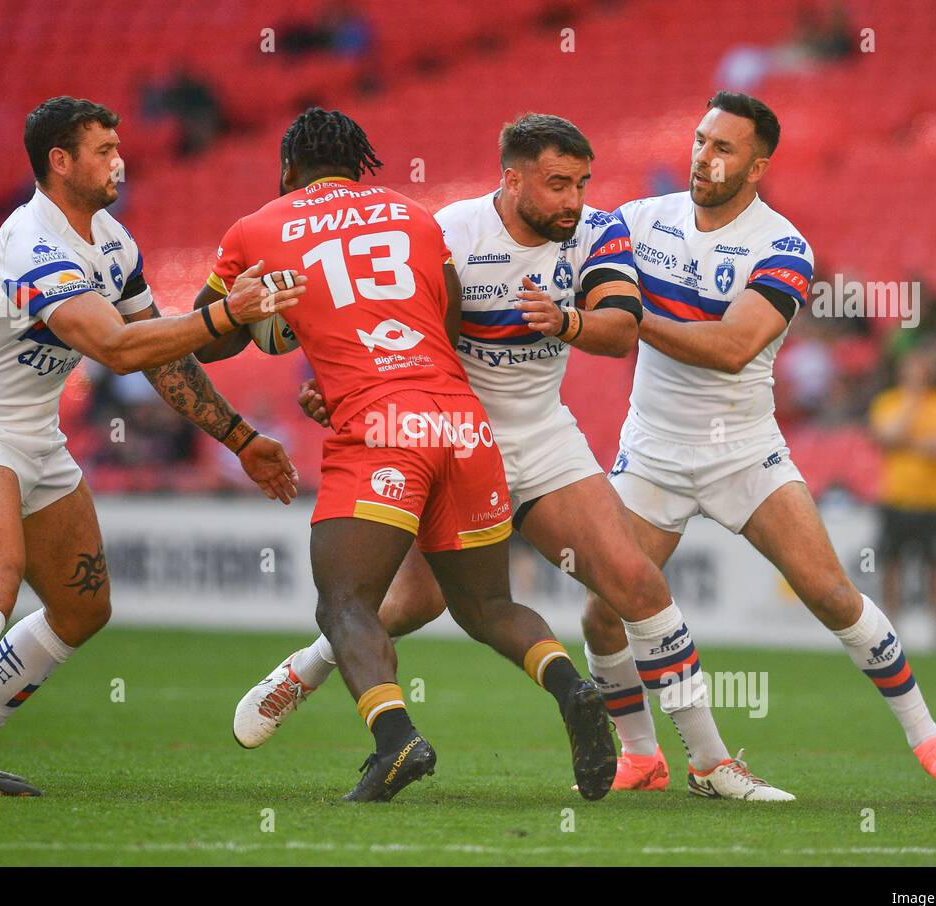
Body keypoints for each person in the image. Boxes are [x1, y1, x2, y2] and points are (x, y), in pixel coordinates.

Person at [228, 113, 791, 800]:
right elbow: (390, 328)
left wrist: (569, 321)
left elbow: (620, 333)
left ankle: (710, 762)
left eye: (581, 183)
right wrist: (341, 390)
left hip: (541, 439)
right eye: (558, 184)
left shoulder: (598, 231)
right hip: (449, 434)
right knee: (404, 605)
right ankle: (301, 674)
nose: (573, 200)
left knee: (636, 584)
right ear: (512, 177)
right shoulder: (450, 231)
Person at [197, 107, 616, 802]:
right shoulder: (415, 216)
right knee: (486, 604)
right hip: (460, 421)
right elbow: (447, 314)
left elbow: (208, 340)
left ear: (287, 170)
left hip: (379, 428)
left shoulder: (259, 228)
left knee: (345, 602)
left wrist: (262, 325)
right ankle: (573, 689)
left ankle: (396, 741)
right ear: (360, 164)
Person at [588, 91, 936, 799]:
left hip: (743, 450)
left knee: (830, 593)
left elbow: (735, 347)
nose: (703, 156)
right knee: (602, 608)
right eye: (701, 139)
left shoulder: (781, 245)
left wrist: (630, 319)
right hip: (651, 451)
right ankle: (643, 755)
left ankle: (932, 740)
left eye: (724, 148)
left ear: (758, 166)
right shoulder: (638, 220)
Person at [0, 96, 305, 797]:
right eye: (103, 150)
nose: (119, 160)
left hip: (36, 435)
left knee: (84, 610)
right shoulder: (32, 244)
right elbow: (117, 348)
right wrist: (227, 312)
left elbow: (161, 358)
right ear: (60, 161)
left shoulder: (113, 245)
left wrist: (242, 438)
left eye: (118, 147)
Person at [869, 346, 936, 648]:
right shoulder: (888, 401)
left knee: (934, 567)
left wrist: (907, 441)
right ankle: (891, 629)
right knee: (890, 566)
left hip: (931, 501)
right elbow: (886, 437)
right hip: (895, 498)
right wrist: (911, 407)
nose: (915, 377)